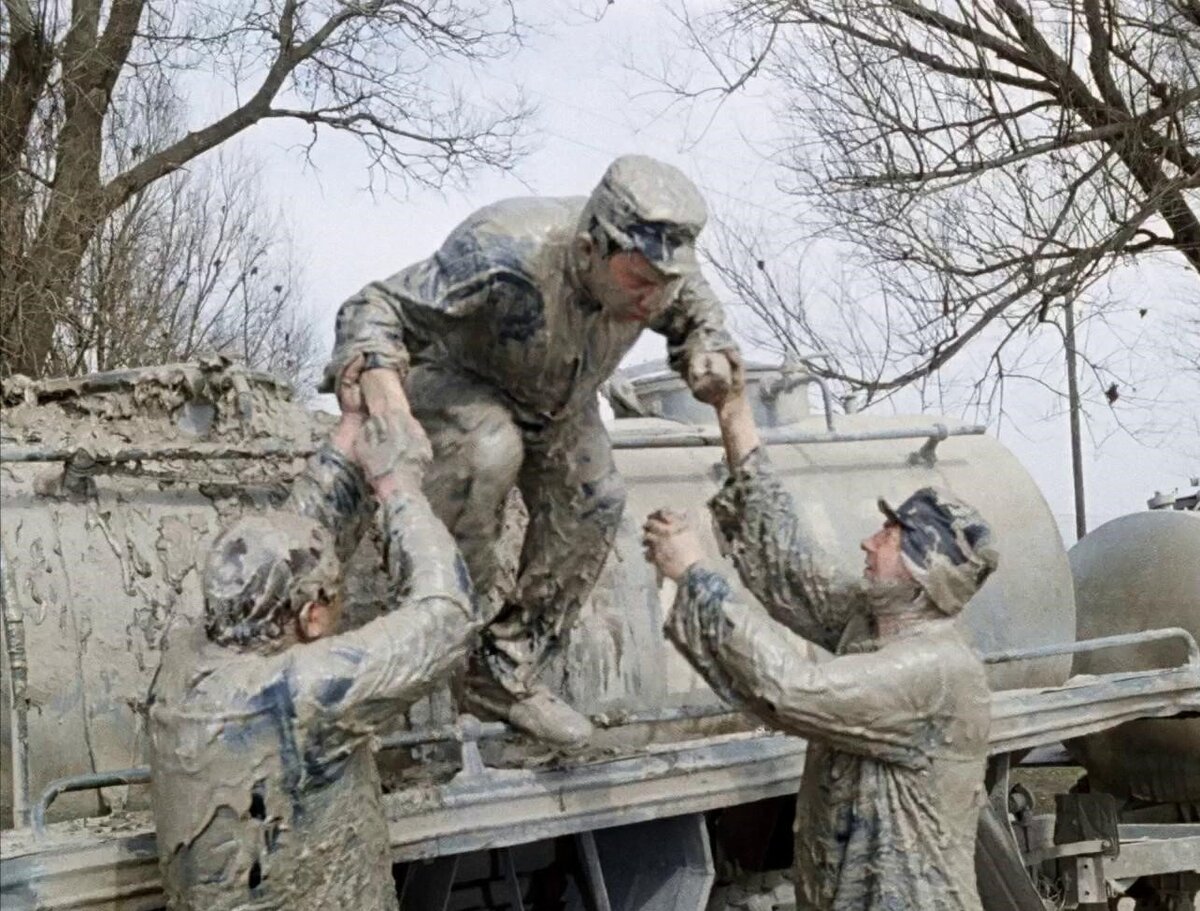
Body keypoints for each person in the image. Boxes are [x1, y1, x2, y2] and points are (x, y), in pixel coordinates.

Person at [323, 154, 742, 747]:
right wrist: (384, 392)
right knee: (490, 448)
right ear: (590, 248)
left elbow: (691, 297)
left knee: (598, 497)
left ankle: (504, 666)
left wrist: (707, 342)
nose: (654, 300)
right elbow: (375, 307)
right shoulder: (503, 250)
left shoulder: (658, 274)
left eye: (664, 282)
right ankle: (435, 625)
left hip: (561, 401)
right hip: (460, 380)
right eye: (641, 282)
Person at [642, 379, 999, 911]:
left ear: (926, 572)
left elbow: (790, 689)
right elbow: (790, 569)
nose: (868, 542)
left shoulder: (933, 669)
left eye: (891, 537)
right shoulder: (875, 624)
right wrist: (735, 412)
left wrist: (695, 575)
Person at [147, 389, 482, 911]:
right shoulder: (301, 697)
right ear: (312, 616)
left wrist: (348, 430)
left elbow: (278, 553)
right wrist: (398, 488)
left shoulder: (185, 662)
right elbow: (447, 617)